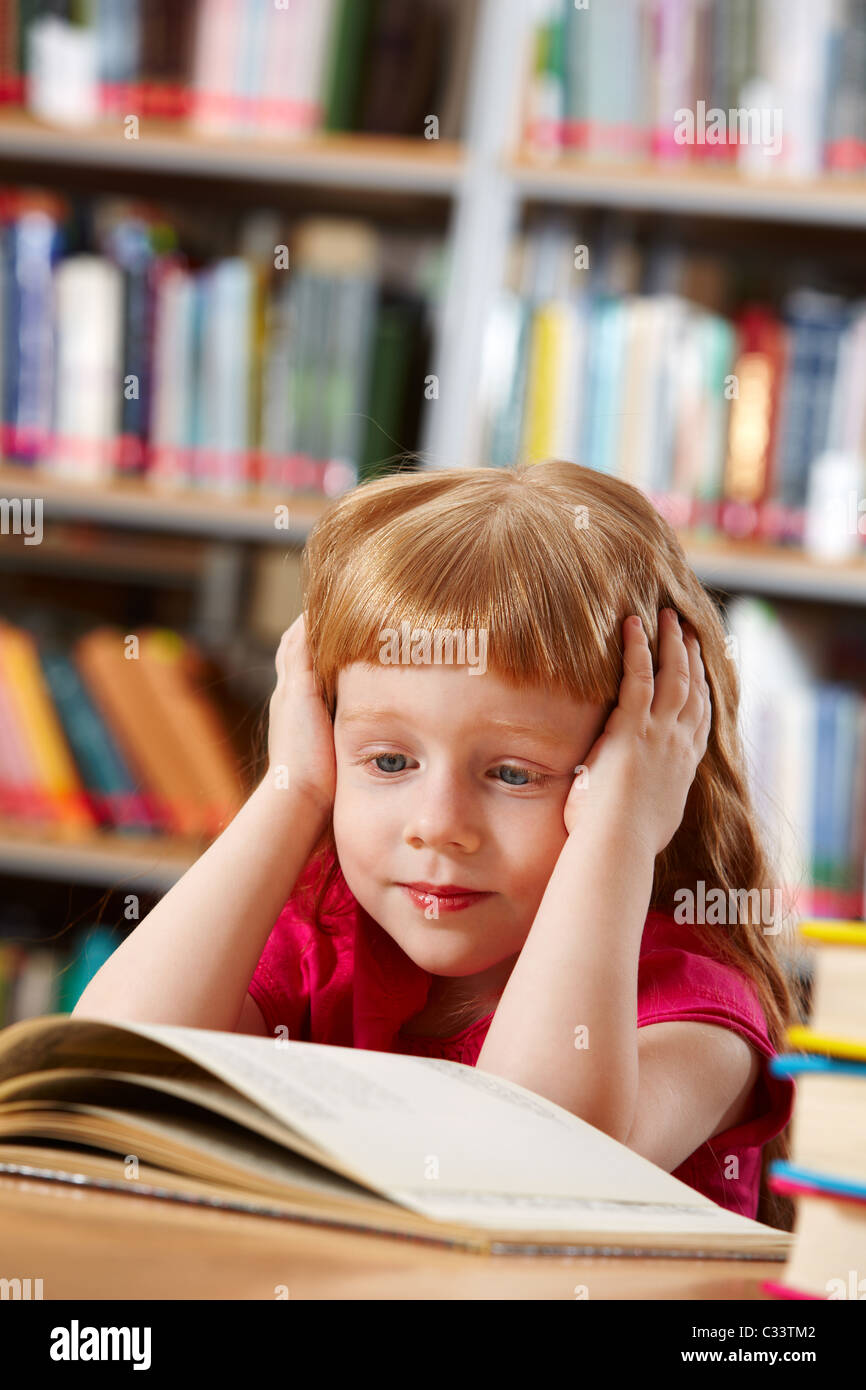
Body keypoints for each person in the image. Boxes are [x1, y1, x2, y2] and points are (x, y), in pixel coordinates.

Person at [74, 460, 799, 1229]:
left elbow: (526, 1163)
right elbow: (104, 1076)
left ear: (645, 772)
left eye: (514, 774)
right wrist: (293, 791)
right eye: (389, 762)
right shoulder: (324, 941)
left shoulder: (697, 1007)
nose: (438, 822)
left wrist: (618, 833)